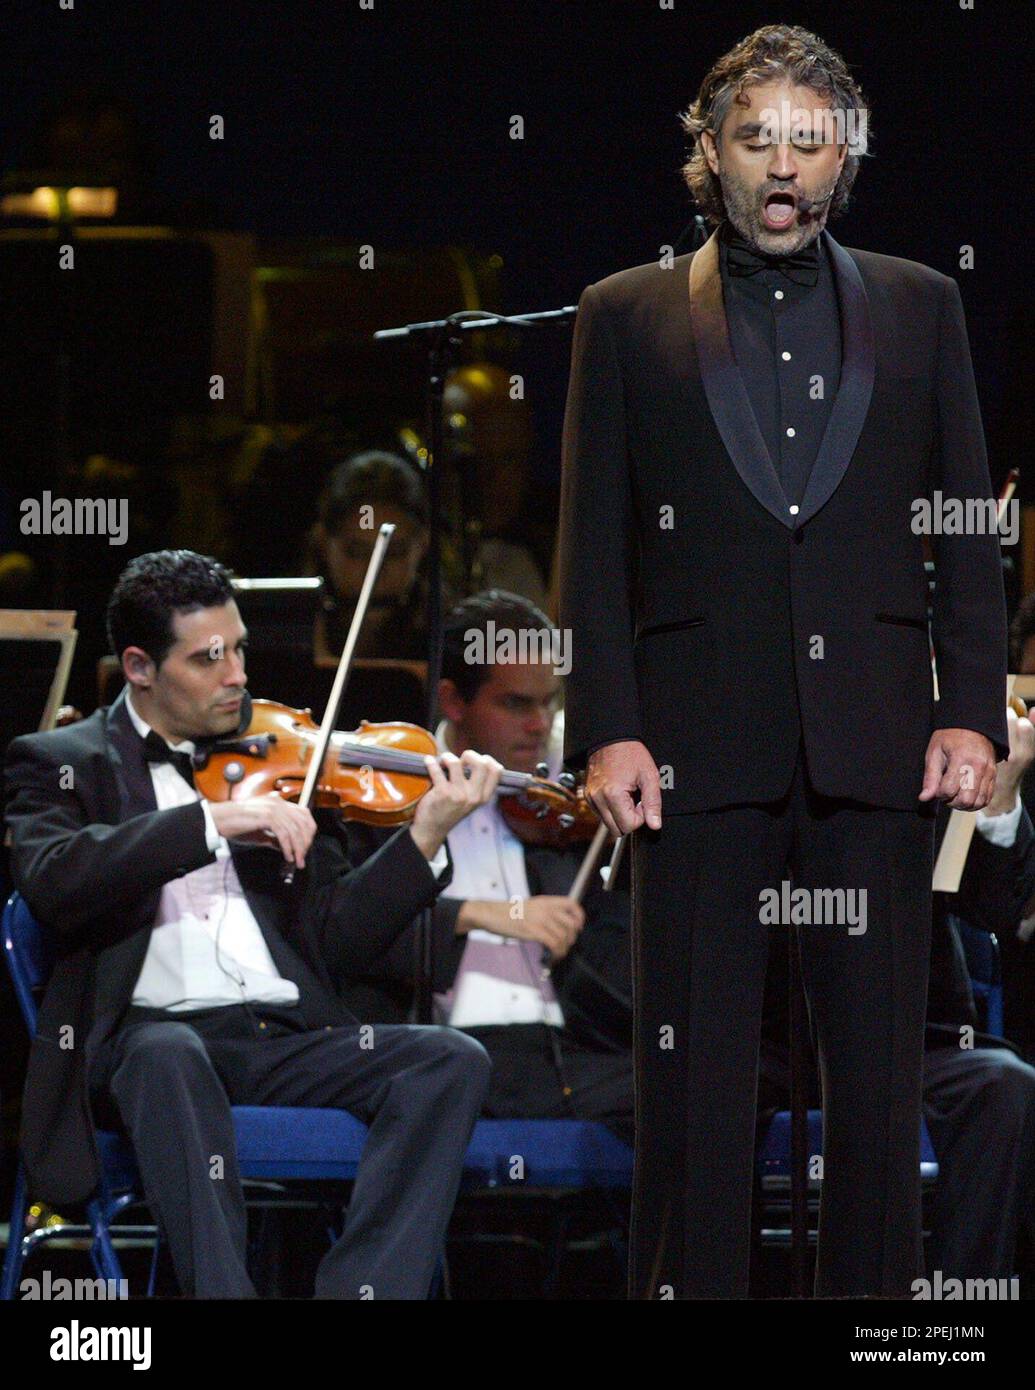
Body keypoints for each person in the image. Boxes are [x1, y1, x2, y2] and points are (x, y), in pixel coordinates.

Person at [558, 24, 1009, 1299]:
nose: (783, 166)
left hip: (875, 737)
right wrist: (609, 725)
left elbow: (964, 522)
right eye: (758, 137)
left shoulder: (923, 302)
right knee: (691, 1074)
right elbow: (592, 546)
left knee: (875, 1075)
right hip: (692, 746)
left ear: (845, 158)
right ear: (709, 152)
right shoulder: (625, 313)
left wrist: (970, 709)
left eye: (811, 142)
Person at [3, 549, 504, 1299]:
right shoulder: (60, 762)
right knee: (168, 1052)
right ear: (139, 667)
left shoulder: (275, 761)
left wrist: (424, 835)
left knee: (447, 1060)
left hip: (276, 1041)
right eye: (208, 658)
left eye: (237, 647)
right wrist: (211, 821)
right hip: (146, 1047)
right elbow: (57, 880)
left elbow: (339, 942)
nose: (238, 673)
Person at [342, 591, 634, 1141]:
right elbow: (351, 937)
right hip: (454, 1051)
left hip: (566, 1051)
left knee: (726, 1077)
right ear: (453, 702)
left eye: (551, 702)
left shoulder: (557, 809)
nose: (540, 725)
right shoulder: (384, 802)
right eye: (517, 704)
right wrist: (485, 914)